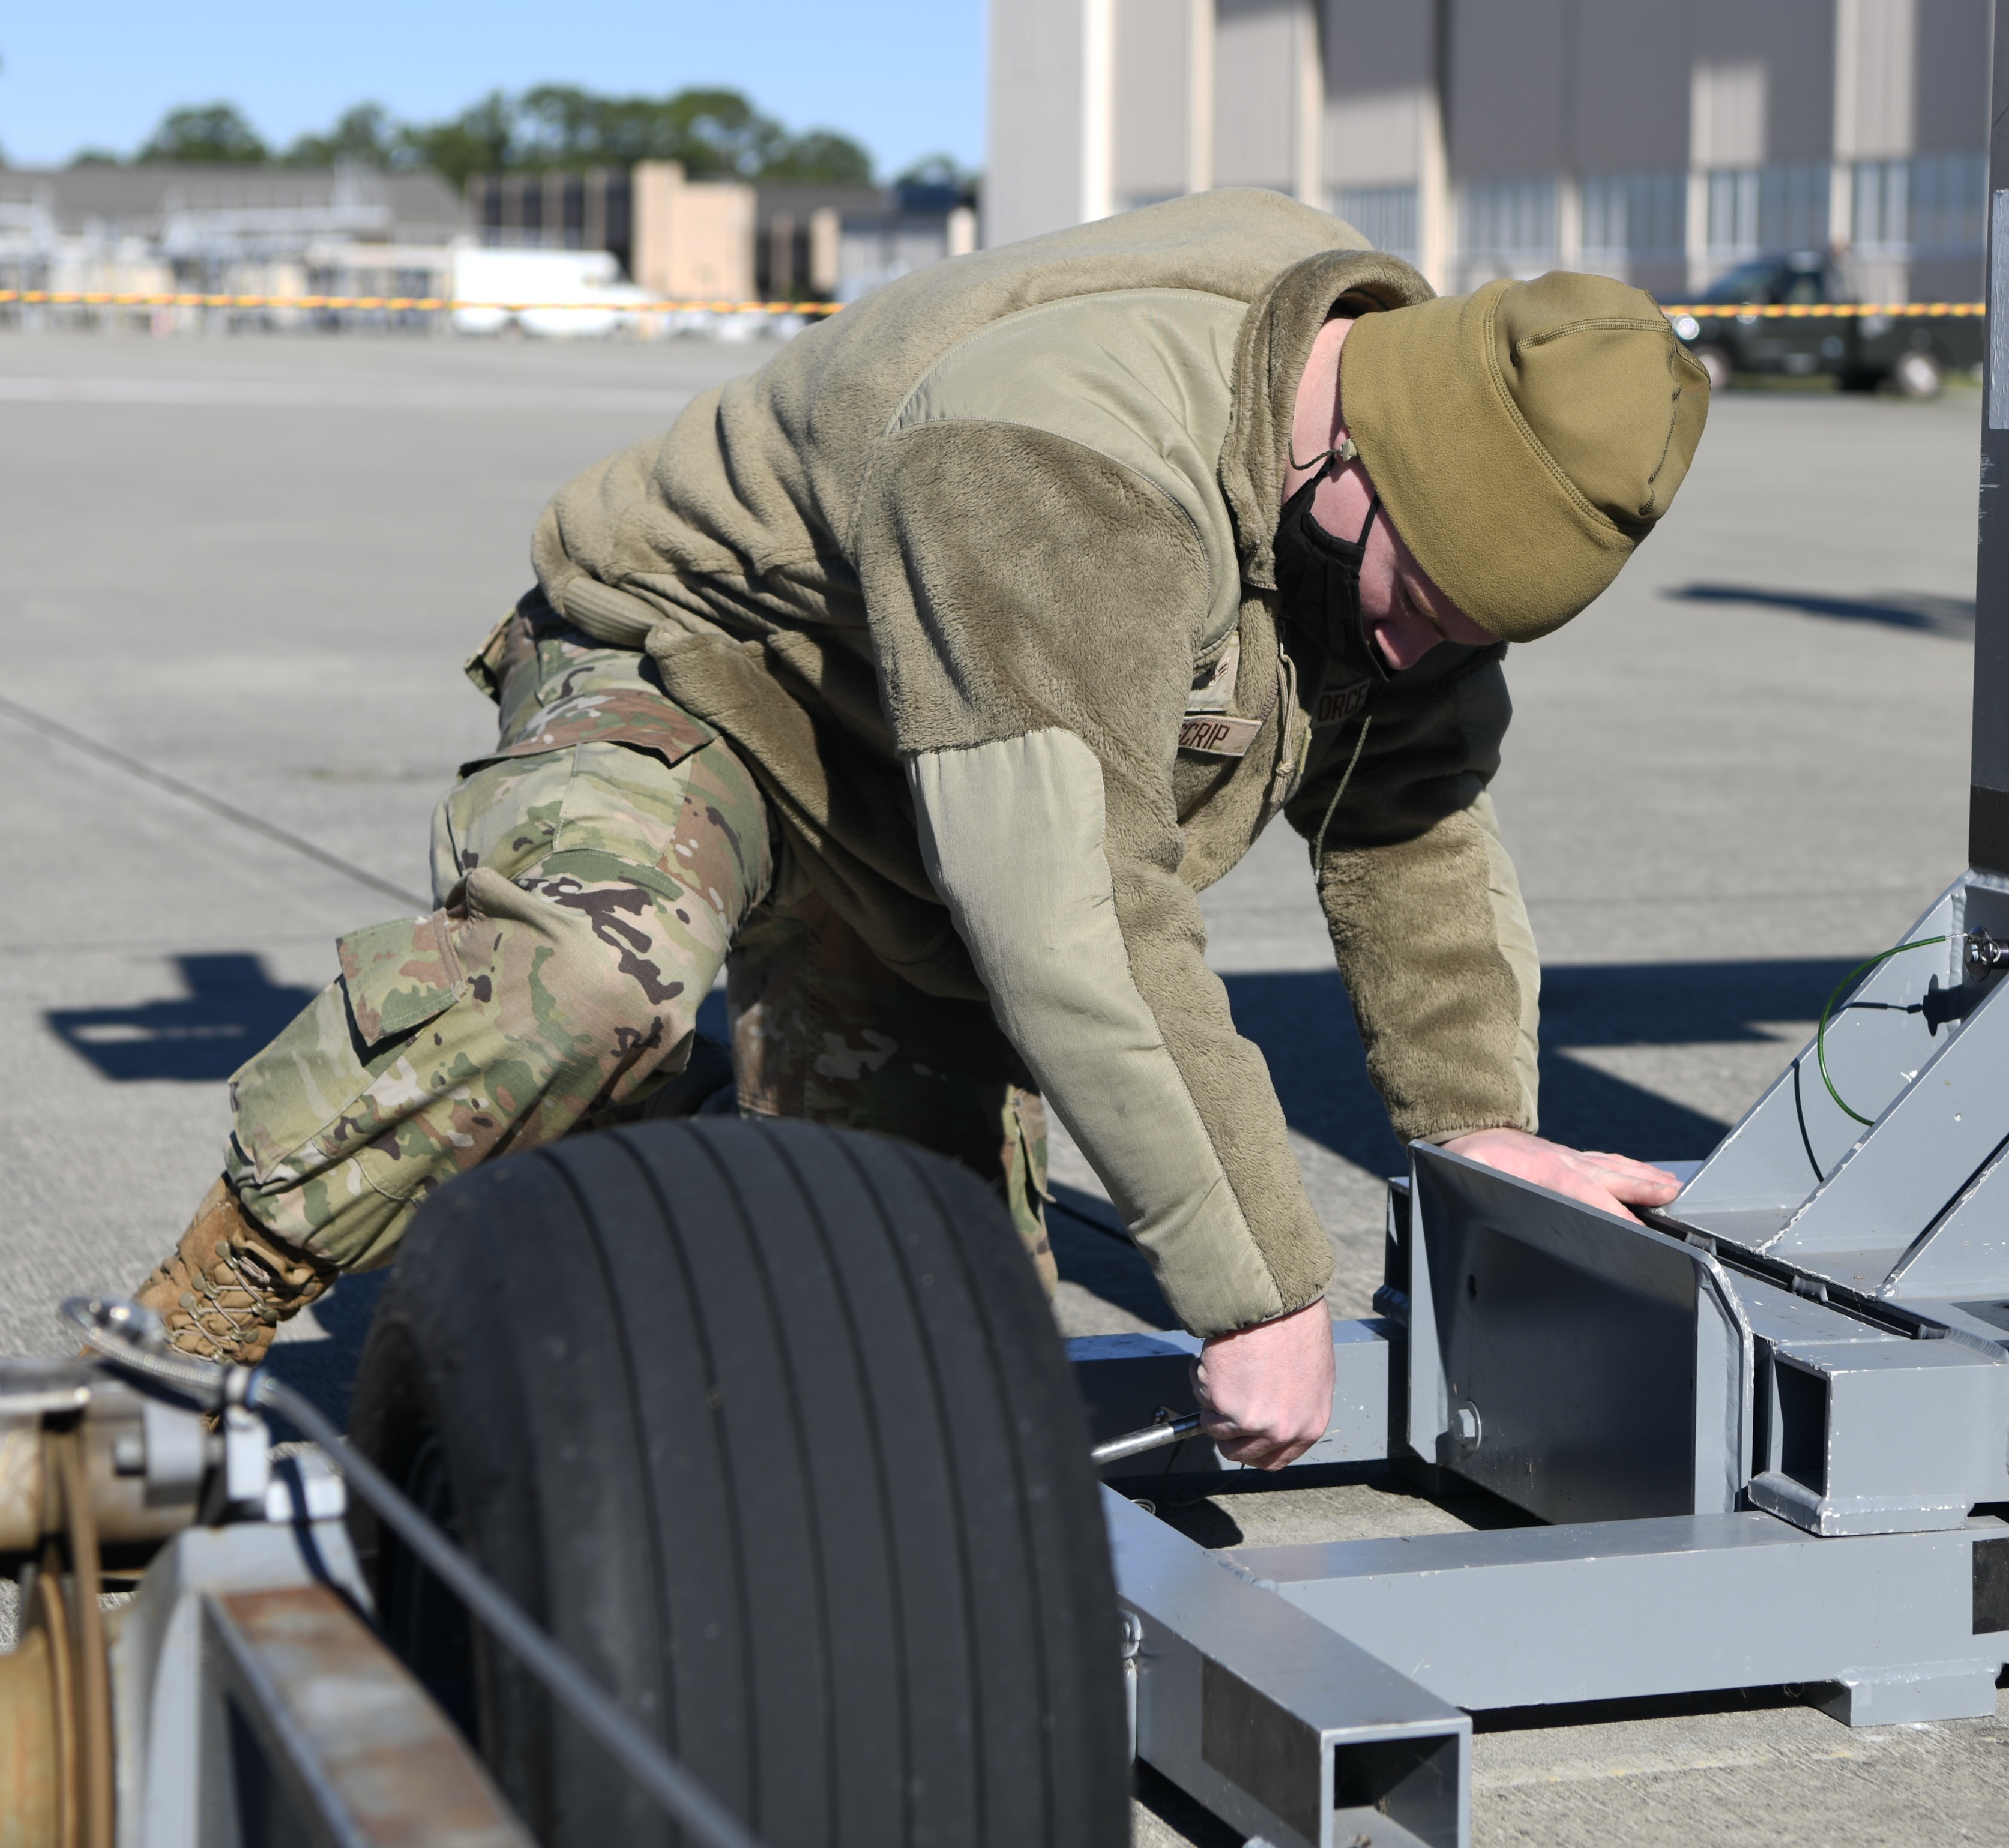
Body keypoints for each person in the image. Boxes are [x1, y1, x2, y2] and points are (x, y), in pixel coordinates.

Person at [133, 188, 1709, 1469]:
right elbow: (1078, 903)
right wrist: (1260, 1283)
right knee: (588, 989)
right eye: (1420, 607)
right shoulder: (1059, 451)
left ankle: (686, 1150)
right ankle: (179, 1345)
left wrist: (1475, 1127)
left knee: (930, 1375)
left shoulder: (1417, 502)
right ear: (1343, 460)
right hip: (703, 678)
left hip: (929, 788)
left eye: (1471, 635)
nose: (1425, 650)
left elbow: (1414, 827)